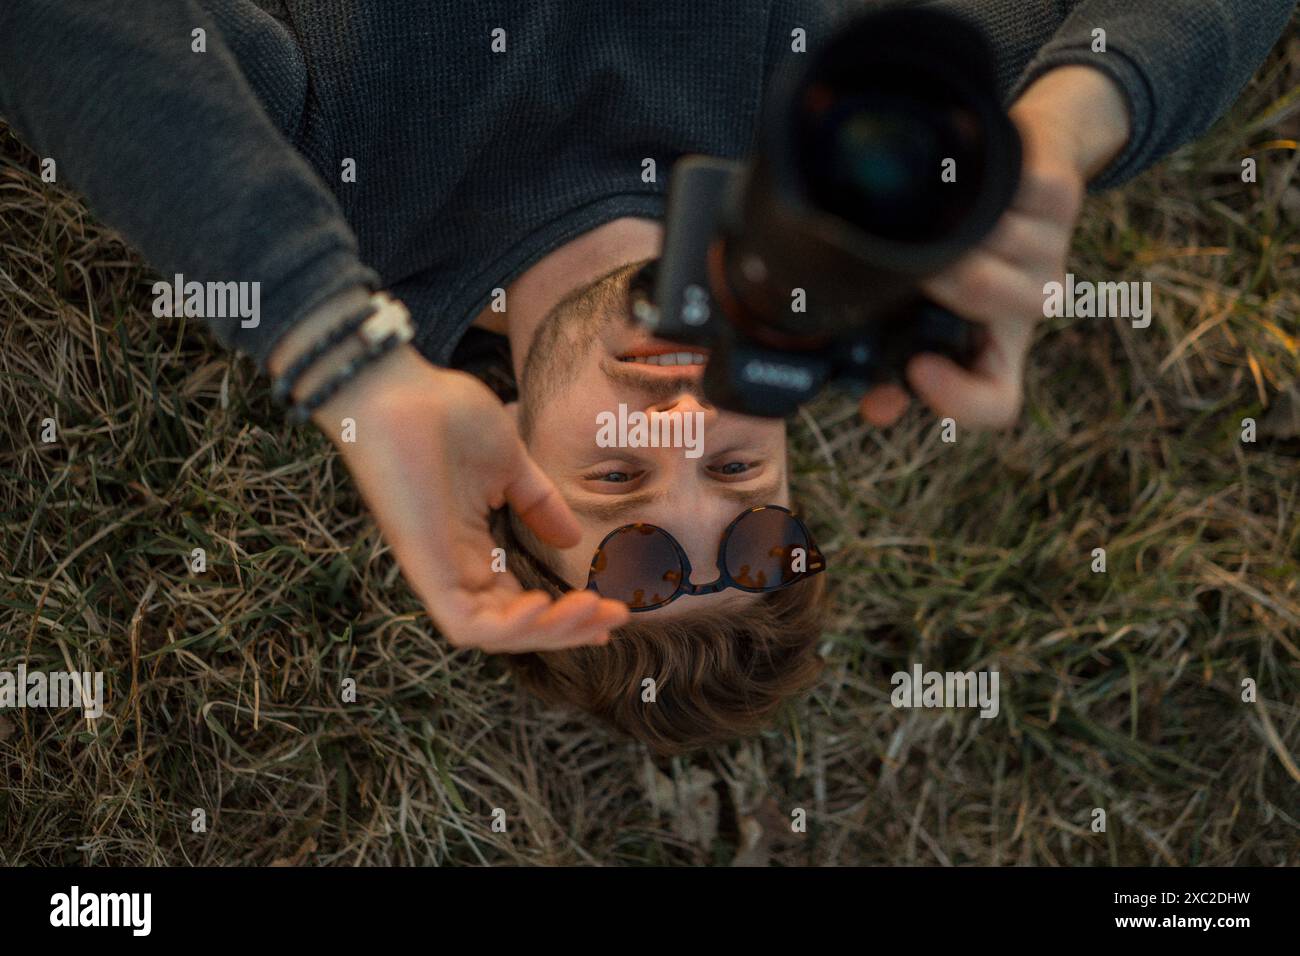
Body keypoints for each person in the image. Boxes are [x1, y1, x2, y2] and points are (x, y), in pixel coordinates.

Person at [1, 0, 1292, 752]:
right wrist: (1058, 137)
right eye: (737, 467)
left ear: (504, 463)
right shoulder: (875, 173)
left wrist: (345, 363)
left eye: (616, 477)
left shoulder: (336, 174)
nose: (680, 417)